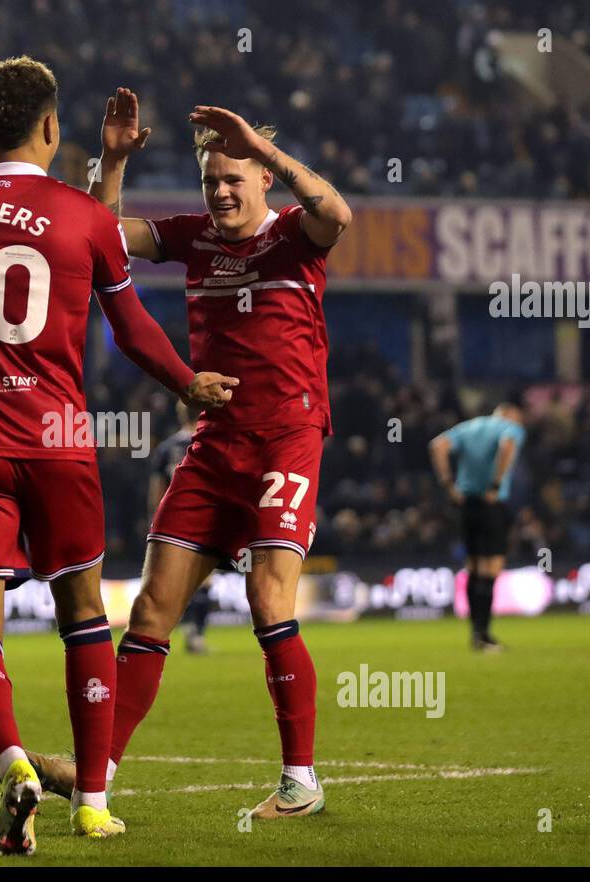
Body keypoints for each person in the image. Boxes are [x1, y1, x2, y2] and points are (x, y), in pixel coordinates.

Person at [0, 59, 235, 855]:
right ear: (52, 127)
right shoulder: (83, 219)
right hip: (56, 442)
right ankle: (92, 801)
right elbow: (127, 324)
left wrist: (109, 168)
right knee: (85, 616)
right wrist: (187, 383)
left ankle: (13, 762)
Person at [32, 89, 352, 820]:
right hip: (215, 447)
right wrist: (110, 159)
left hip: (286, 440)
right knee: (150, 607)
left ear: (264, 179)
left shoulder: (296, 237)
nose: (221, 192)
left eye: (235, 179)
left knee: (268, 597)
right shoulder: (193, 237)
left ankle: (300, 782)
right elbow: (101, 233)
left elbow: (340, 214)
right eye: (211, 181)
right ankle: (96, 775)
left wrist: (264, 145)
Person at [428, 402, 526, 651]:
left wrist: (449, 485)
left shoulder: (468, 427)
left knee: (473, 567)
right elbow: (507, 447)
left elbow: (437, 446)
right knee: (491, 568)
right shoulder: (510, 428)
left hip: (465, 504)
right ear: (510, 415)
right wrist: (495, 484)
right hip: (491, 503)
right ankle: (484, 634)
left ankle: (476, 633)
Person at [147, 402, 211, 654]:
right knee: (203, 581)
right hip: (206, 519)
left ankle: (163, 634)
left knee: (174, 581)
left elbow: (156, 492)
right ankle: (195, 633)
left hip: (172, 522)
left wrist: (154, 522)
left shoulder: (166, 449)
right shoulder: (211, 443)